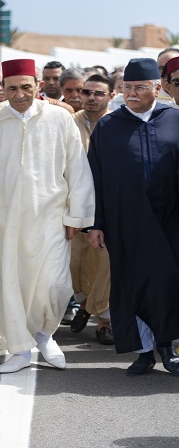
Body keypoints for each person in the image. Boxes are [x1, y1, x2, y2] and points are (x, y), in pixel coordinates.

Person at [0, 58, 95, 374]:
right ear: (2, 89)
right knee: (11, 285)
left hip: (52, 220)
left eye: (26, 87)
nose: (19, 94)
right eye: (12, 88)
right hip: (5, 220)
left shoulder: (60, 119)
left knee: (55, 285)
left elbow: (77, 170)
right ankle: (18, 348)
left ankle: (45, 336)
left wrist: (76, 216)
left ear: (39, 85)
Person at [87, 58, 179, 376]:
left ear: (158, 88)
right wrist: (96, 224)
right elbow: (94, 179)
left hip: (170, 222)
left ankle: (168, 346)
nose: (132, 93)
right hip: (124, 222)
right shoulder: (109, 126)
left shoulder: (174, 121)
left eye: (140, 87)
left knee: (167, 283)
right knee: (130, 284)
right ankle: (143, 353)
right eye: (127, 87)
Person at [69, 74, 114, 345]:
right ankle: (84, 304)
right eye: (87, 92)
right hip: (74, 207)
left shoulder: (118, 124)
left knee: (104, 265)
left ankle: (103, 322)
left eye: (99, 93)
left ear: (110, 96)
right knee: (76, 265)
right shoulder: (68, 122)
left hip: (107, 208)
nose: (92, 98)